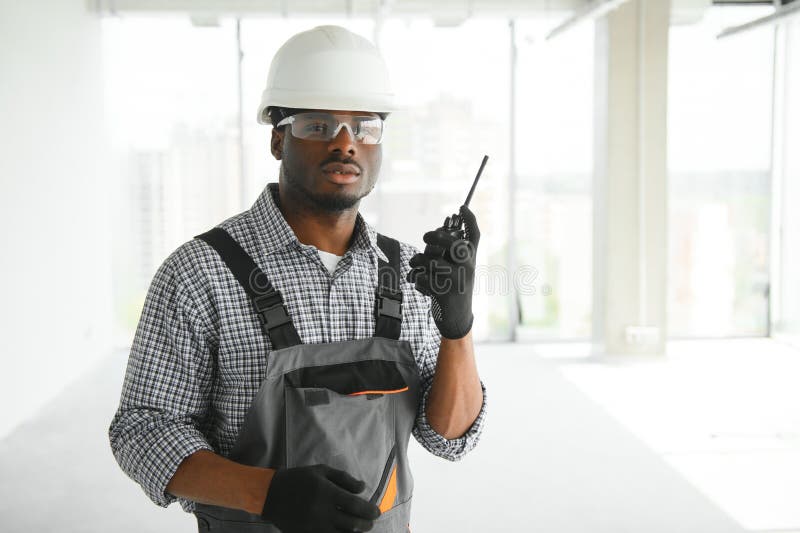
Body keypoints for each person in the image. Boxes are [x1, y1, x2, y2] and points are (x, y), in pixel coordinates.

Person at [109, 25, 487, 533]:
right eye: (318, 125)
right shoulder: (199, 273)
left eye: (365, 126)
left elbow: (449, 437)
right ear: (277, 137)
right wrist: (264, 494)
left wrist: (457, 326)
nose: (346, 143)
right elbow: (142, 431)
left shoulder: (408, 274)